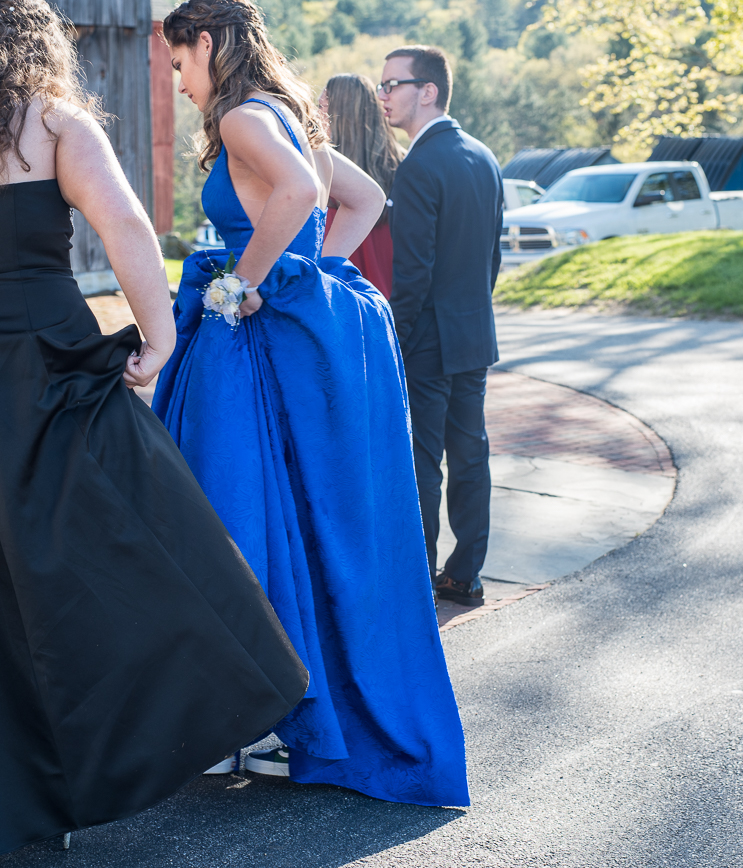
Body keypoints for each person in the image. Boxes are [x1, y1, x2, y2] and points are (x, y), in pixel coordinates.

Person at [0, 1, 308, 863]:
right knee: (116, 540)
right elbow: (125, 228)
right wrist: (158, 338)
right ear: (35, 50)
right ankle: (103, 752)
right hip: (38, 354)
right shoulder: (54, 120)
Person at [153, 0, 470, 808]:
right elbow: (361, 204)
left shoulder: (240, 120)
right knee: (289, 520)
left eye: (181, 61)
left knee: (232, 517)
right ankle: (275, 717)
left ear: (211, 44)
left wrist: (245, 283)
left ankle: (255, 721)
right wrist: (306, 275)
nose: (179, 79)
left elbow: (297, 192)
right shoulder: (290, 114)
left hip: (250, 347)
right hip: (291, 342)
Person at [379, 46, 503, 608]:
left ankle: (418, 576)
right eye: (380, 86)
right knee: (470, 454)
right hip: (474, 330)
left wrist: (396, 342)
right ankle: (465, 575)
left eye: (392, 84)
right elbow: (491, 261)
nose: (382, 95)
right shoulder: (484, 157)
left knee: (423, 459)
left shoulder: (420, 166)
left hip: (427, 337)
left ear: (427, 90)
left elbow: (413, 273)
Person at [319, 73, 402, 299]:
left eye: (320, 107)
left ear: (334, 115)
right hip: (395, 309)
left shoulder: (322, 178)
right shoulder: (404, 168)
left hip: (343, 309)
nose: (315, 117)